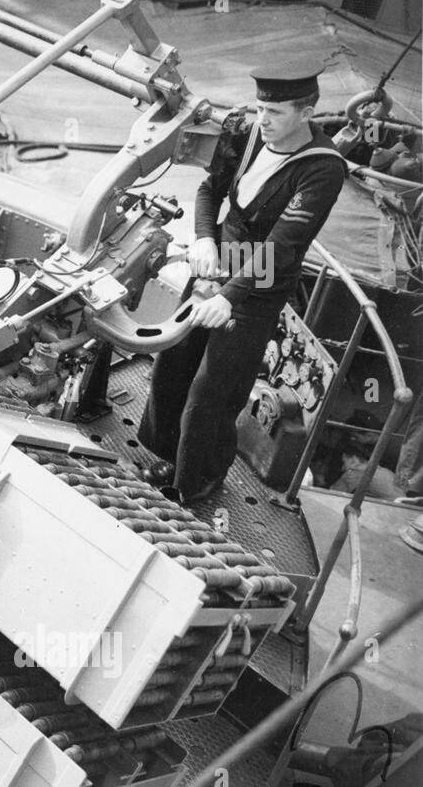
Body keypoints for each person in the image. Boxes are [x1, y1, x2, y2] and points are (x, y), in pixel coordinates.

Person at [138, 61, 347, 505]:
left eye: (276, 113)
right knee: (173, 362)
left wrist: (231, 299)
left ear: (306, 113)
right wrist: (204, 240)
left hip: (258, 289)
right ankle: (159, 455)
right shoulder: (247, 133)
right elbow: (209, 190)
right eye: (261, 108)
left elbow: (283, 243)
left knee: (211, 391)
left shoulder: (323, 168)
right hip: (215, 265)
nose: (264, 120)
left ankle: (194, 483)